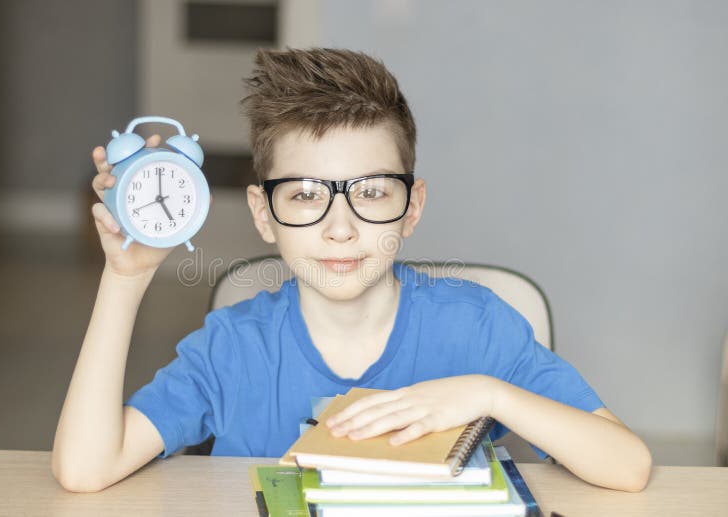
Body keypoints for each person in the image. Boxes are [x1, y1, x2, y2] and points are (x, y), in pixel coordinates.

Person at [52, 48, 651, 493]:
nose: (341, 228)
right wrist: (125, 279)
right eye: (307, 195)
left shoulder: (476, 328)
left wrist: (488, 393)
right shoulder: (233, 348)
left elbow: (628, 465)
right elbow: (84, 469)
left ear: (411, 206)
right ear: (265, 214)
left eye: (370, 191)